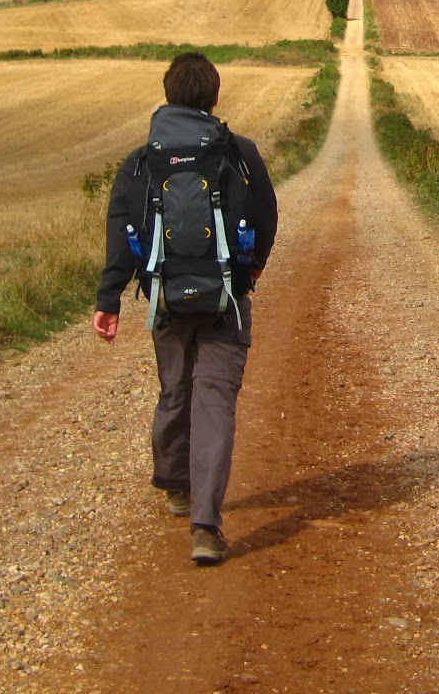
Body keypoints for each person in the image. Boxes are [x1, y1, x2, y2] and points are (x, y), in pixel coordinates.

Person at [93, 52, 278, 565]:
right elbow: (266, 213)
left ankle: (177, 486)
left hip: (167, 299)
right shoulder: (238, 151)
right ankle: (205, 526)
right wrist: (252, 268)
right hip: (225, 298)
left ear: (168, 96)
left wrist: (110, 298)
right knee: (214, 400)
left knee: (175, 390)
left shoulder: (141, 161)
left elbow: (121, 229)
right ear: (214, 97)